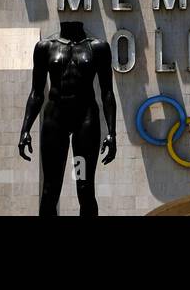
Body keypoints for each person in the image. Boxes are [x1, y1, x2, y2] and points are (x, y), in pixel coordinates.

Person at [18, 21, 117, 215]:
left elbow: (107, 93)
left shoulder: (98, 47)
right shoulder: (45, 47)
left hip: (84, 121)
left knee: (84, 187)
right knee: (50, 188)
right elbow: (36, 92)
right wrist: (25, 129)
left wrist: (112, 133)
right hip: (56, 120)